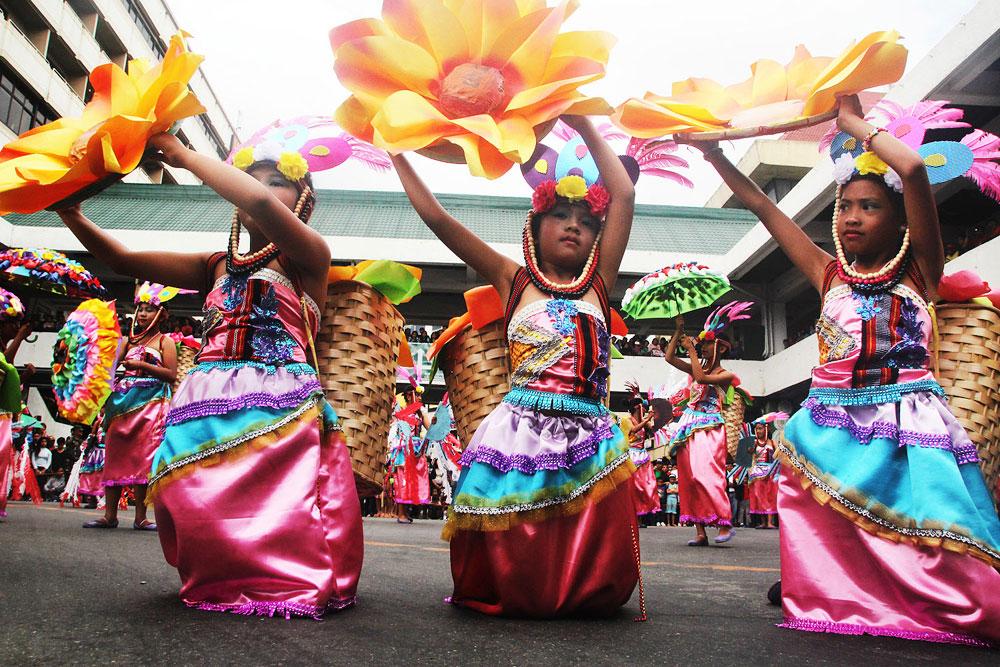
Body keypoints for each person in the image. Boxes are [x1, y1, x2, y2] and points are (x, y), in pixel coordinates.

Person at [691, 94, 1000, 645]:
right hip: (830, 422)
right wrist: (715, 158)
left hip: (906, 423)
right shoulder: (828, 274)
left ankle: (914, 599)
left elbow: (908, 168)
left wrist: (856, 126)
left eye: (869, 206)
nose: (852, 216)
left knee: (924, 533)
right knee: (826, 518)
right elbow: (766, 208)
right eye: (845, 206)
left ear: (901, 216)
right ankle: (827, 588)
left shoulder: (921, 274)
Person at [56, 129, 363, 618]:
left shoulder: (310, 258)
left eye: (276, 181)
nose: (259, 187)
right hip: (205, 395)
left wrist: (180, 154)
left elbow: (261, 204)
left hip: (280, 396)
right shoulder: (215, 264)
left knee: (280, 502)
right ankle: (220, 578)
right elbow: (121, 259)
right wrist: (70, 214)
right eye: (251, 177)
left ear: (302, 201)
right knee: (190, 494)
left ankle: (282, 582)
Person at [392, 115, 638, 617]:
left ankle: (578, 593)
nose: (574, 225)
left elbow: (626, 197)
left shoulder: (600, 285)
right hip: (518, 430)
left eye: (587, 219)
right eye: (561, 214)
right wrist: (395, 151)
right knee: (518, 547)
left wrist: (583, 122)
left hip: (589, 429)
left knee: (585, 548)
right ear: (536, 221)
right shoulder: (513, 280)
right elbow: (438, 219)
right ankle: (525, 589)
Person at [84, 283, 180, 531]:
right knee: (114, 456)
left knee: (144, 460)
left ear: (163, 314)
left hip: (150, 407)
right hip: (120, 406)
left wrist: (143, 365)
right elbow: (108, 371)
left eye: (149, 309)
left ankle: (141, 516)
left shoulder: (165, 342)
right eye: (141, 309)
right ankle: (109, 515)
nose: (143, 314)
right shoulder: (126, 341)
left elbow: (170, 374)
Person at [664, 303, 751, 546]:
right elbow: (669, 357)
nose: (703, 347)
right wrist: (678, 330)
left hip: (711, 428)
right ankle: (700, 531)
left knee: (706, 474)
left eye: (707, 343)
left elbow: (702, 378)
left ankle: (724, 523)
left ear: (720, 347)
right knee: (689, 478)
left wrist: (690, 349)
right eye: (701, 344)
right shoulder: (696, 367)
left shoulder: (725, 374)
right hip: (688, 428)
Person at [387, 382, 431, 523]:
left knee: (414, 480)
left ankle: (406, 512)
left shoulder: (420, 411)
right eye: (417, 394)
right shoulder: (399, 411)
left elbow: (429, 427)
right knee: (402, 480)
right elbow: (394, 430)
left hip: (416, 450)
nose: (419, 398)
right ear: (408, 395)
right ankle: (401, 513)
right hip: (403, 450)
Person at [747, 420, 778, 528]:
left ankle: (770, 522)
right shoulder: (755, 442)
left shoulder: (773, 442)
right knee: (759, 496)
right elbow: (748, 453)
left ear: (766, 429)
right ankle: (763, 522)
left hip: (770, 472)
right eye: (757, 429)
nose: (759, 431)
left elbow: (778, 456)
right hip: (757, 472)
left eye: (760, 428)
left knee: (770, 496)